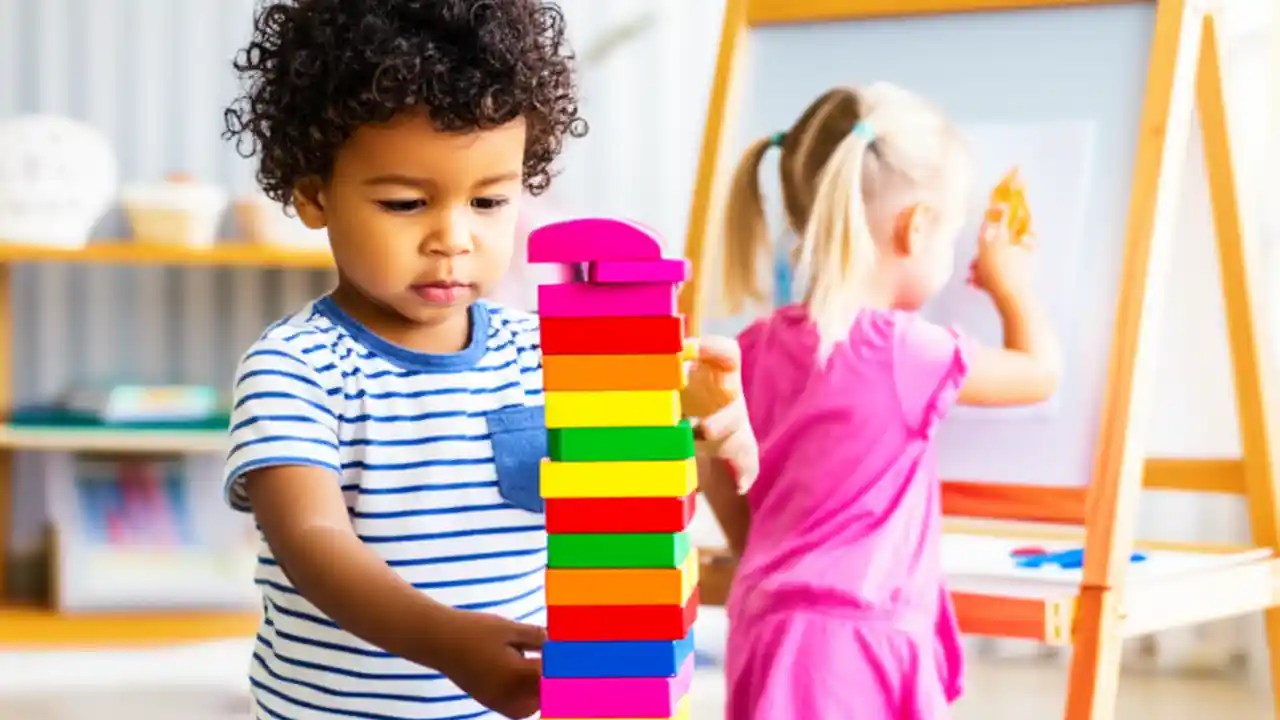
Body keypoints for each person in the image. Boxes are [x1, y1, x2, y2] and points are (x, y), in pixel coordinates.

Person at [219, 2, 756, 718]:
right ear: (316, 195)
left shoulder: (548, 351)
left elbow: (645, 466)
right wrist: (443, 642)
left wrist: (717, 420)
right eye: (407, 203)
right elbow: (312, 541)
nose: (454, 237)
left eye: (489, 200)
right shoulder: (296, 366)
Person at [701, 83, 1062, 719]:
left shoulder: (753, 348)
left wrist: (756, 540)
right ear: (916, 227)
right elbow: (1039, 373)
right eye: (950, 234)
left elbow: (714, 461)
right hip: (857, 638)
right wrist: (1010, 283)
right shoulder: (908, 350)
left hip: (766, 621)